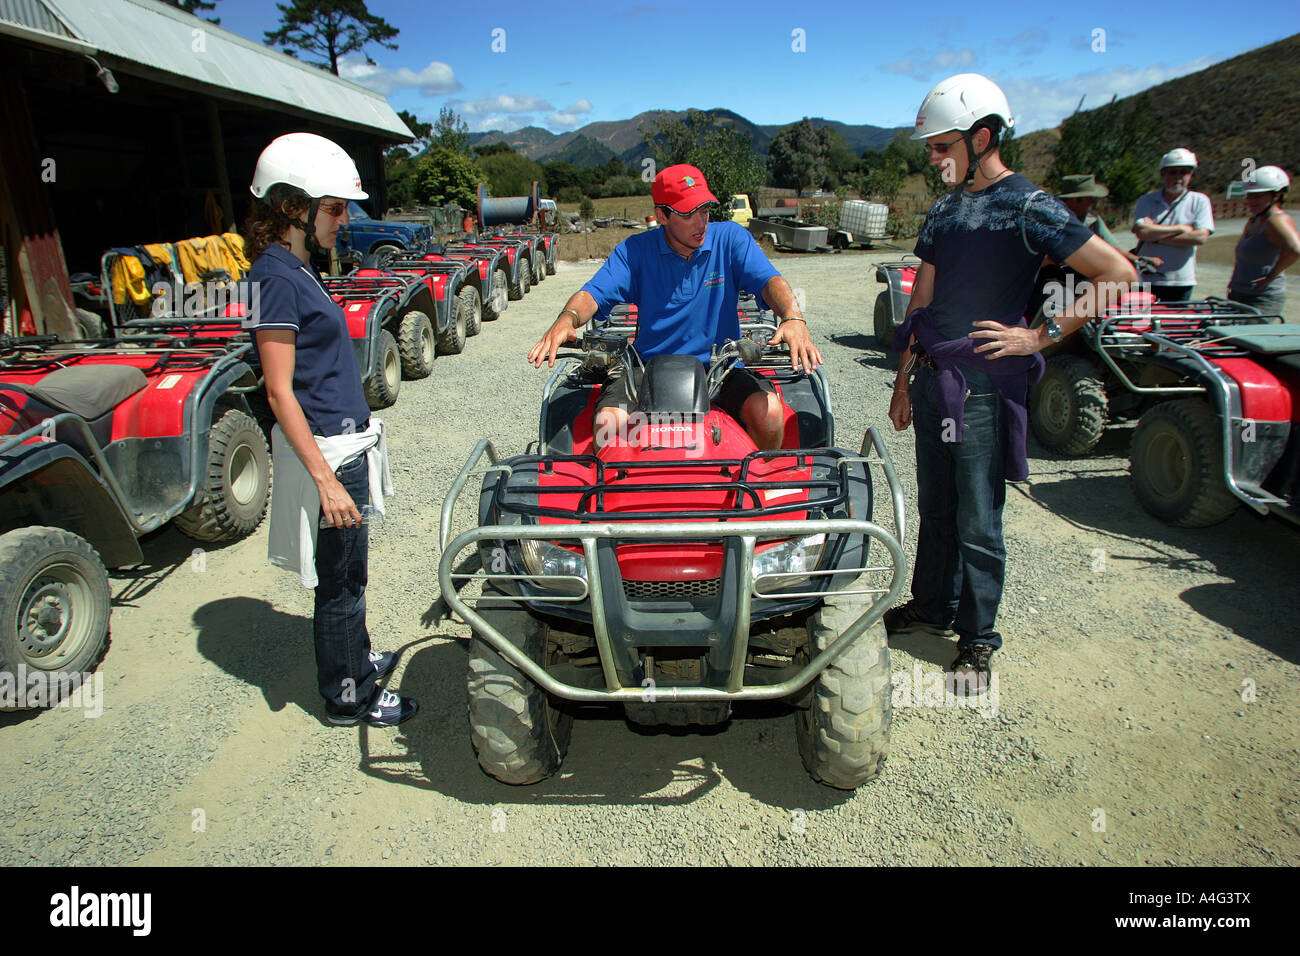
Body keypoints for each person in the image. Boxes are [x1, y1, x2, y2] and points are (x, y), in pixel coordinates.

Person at [883, 73, 1135, 689]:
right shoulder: (944, 209)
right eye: (932, 149)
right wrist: (902, 378)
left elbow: (1116, 272)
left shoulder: (1030, 206)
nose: (934, 158)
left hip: (981, 389)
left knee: (978, 516)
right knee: (937, 507)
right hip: (934, 379)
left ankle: (977, 639)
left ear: (984, 137)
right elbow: (924, 297)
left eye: (943, 146)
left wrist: (1037, 336)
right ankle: (931, 607)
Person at [246, 132, 416, 727]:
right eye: (334, 207)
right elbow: (277, 388)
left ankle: (357, 658)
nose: (345, 220)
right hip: (328, 453)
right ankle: (351, 694)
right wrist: (326, 480)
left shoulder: (296, 267)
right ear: (292, 205)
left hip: (344, 445)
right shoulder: (275, 277)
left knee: (351, 571)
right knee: (339, 583)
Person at [527, 164, 819, 451]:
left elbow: (771, 281)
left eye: (704, 210)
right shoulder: (634, 251)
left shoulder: (731, 239)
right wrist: (568, 319)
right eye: (687, 214)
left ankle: (758, 487)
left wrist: (793, 318)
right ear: (662, 216)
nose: (701, 222)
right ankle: (614, 496)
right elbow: (593, 293)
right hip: (648, 368)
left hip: (719, 366)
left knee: (769, 415)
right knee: (608, 423)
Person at [1132, 148, 1214, 302]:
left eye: (1183, 172)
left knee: (1176, 324)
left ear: (1191, 175)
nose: (1178, 177)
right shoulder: (1147, 200)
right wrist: (1181, 229)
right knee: (1140, 323)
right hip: (1147, 277)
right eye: (1172, 172)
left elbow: (1201, 237)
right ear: (1163, 173)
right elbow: (1142, 233)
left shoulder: (1200, 201)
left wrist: (1154, 235)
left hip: (1180, 280)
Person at [1227, 165, 1298, 314]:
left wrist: (1271, 275)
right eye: (1249, 195)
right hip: (1239, 293)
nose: (1251, 200)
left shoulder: (1277, 220)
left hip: (1261, 299)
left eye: (1258, 196)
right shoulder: (1254, 220)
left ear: (1276, 196)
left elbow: (1295, 249)